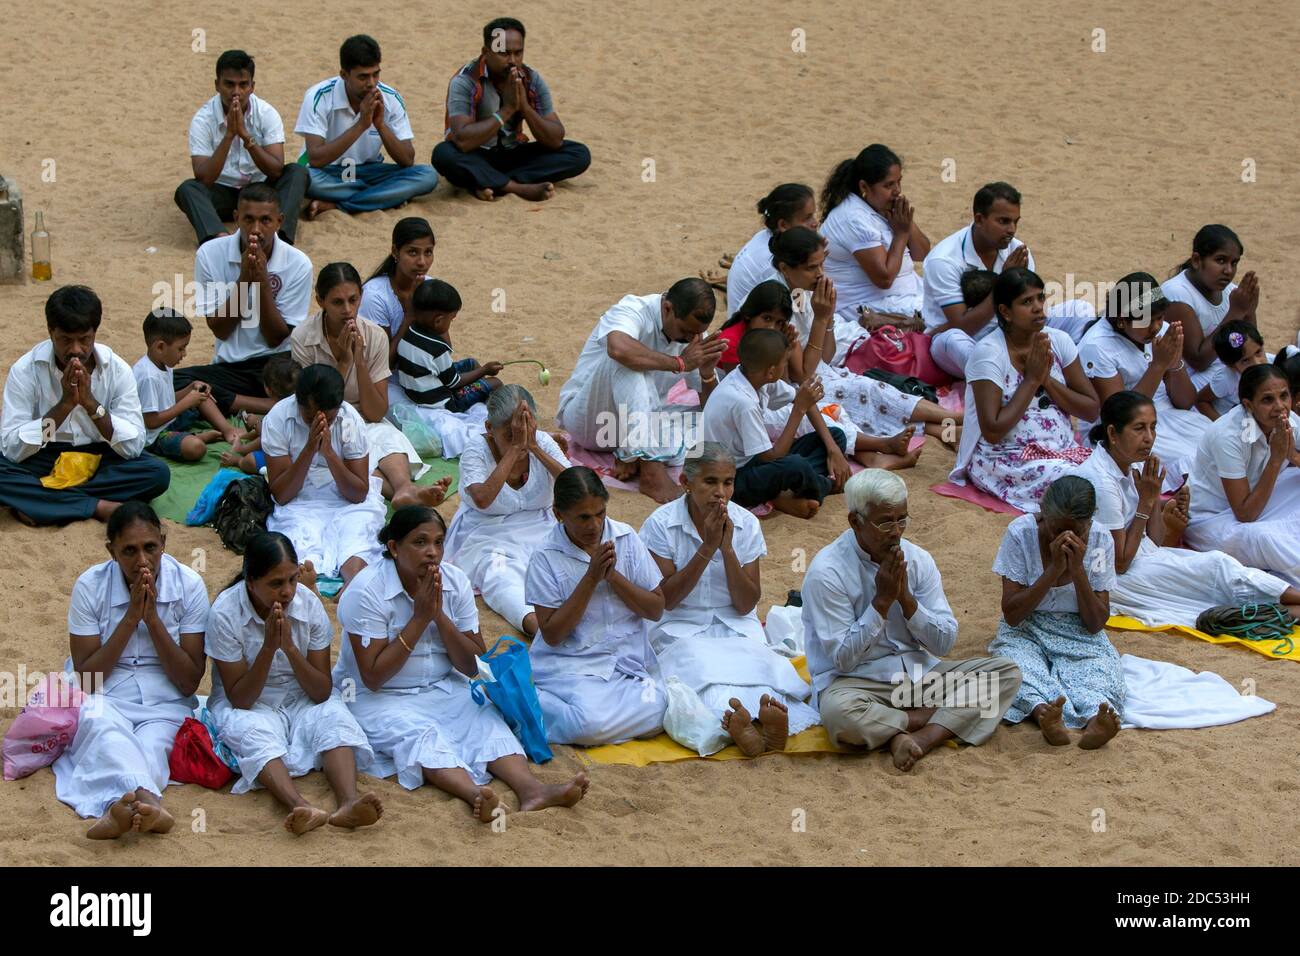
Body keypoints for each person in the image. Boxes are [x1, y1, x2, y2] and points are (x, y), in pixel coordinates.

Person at [337, 506, 589, 821]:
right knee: (420, 736)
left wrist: (439, 615)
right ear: (393, 548)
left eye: (439, 542)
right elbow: (373, 676)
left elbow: (474, 666)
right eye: (420, 542)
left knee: (484, 720)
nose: (432, 552)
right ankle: (476, 796)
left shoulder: (454, 582)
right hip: (377, 697)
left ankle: (531, 790)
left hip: (443, 685)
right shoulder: (367, 590)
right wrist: (419, 619)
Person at [803, 469, 1021, 771]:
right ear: (855, 521)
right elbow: (842, 660)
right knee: (839, 714)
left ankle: (921, 738)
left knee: (1006, 673)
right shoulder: (827, 572)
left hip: (920, 678)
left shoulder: (918, 560)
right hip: (857, 685)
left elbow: (944, 643)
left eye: (902, 519)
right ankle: (921, 720)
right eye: (885, 522)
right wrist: (880, 603)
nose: (896, 532)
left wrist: (906, 600)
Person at [639, 443, 818, 755]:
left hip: (736, 623)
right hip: (679, 626)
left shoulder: (745, 523)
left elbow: (747, 603)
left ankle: (761, 726)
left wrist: (727, 548)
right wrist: (706, 548)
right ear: (686, 482)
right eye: (710, 482)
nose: (720, 493)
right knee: (700, 667)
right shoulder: (660, 524)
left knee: (760, 668)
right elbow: (667, 600)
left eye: (728, 482)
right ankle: (740, 726)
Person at [1074, 390, 1300, 627]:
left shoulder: (1133, 462)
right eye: (1139, 428)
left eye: (1153, 427)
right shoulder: (1101, 481)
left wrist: (1160, 513)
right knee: (1217, 571)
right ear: (1112, 433)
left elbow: (1155, 540)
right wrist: (1147, 502)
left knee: (1219, 569)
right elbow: (1119, 563)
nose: (1149, 437)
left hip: (1144, 558)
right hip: (1117, 578)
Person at [206, 532, 381, 834]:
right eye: (275, 583)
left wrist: (288, 648)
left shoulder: (309, 604)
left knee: (334, 716)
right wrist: (267, 649)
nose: (287, 592)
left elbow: (320, 690)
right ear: (250, 582)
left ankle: (349, 803)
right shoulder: (225, 612)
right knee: (250, 731)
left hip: (300, 695)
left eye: (292, 579)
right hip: (251, 703)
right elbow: (240, 699)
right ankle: (299, 804)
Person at [53, 503, 207, 839]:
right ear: (111, 551)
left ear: (163, 542)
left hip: (166, 697)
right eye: (129, 551)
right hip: (105, 691)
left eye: (150, 547)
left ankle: (119, 807)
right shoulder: (89, 586)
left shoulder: (190, 585)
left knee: (154, 744)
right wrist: (130, 619)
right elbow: (87, 678)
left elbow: (188, 682)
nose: (142, 561)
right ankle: (149, 801)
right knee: (101, 728)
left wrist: (152, 621)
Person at [769, 227, 959, 446]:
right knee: (866, 395)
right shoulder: (777, 305)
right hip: (790, 389)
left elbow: (827, 356)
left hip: (819, 373)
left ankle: (949, 427)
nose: (821, 273)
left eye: (822, 264)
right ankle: (957, 421)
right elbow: (802, 374)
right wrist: (821, 319)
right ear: (784, 268)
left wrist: (828, 317)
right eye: (812, 267)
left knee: (874, 390)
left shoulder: (801, 290)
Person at [0, 286, 169, 525]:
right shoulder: (26, 370)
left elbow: (133, 446)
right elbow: (13, 449)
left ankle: (42, 503)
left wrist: (91, 405)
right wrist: (64, 406)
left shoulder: (117, 370)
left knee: (157, 474)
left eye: (84, 339)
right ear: (50, 332)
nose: (76, 349)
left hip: (100, 456)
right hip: (45, 456)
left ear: (95, 333)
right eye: (65, 340)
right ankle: (97, 506)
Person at [524, 466, 667, 745]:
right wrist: (590, 579)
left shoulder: (625, 538)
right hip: (572, 665)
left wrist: (612, 576)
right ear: (558, 514)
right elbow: (552, 634)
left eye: (600, 513)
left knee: (660, 709)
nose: (594, 525)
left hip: (626, 661)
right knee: (586, 725)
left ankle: (604, 718)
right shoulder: (545, 556)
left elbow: (655, 609)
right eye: (583, 517)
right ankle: (535, 701)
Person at [556, 277, 725, 502]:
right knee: (626, 361)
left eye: (696, 333)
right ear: (667, 308)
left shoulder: (692, 334)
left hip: (634, 427)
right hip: (590, 421)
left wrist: (707, 373)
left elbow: (711, 408)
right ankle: (651, 469)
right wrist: (679, 363)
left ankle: (630, 452)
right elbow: (618, 349)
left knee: (714, 425)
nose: (691, 339)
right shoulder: (633, 309)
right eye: (686, 331)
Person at [290, 263, 443, 509]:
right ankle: (402, 493)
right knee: (344, 457)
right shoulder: (303, 338)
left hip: (364, 417)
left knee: (386, 435)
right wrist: (343, 362)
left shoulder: (374, 336)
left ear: (361, 296)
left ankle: (403, 487)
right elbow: (312, 405)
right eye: (337, 302)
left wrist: (359, 361)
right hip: (320, 422)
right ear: (320, 301)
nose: (348, 310)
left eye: (353, 300)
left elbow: (375, 412)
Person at [988, 476, 1122, 749]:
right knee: (1015, 668)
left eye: (1079, 532)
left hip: (1079, 630)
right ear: (1042, 514)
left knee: (1098, 672)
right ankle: (1044, 714)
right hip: (1027, 629)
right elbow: (1013, 615)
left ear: (1090, 523)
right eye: (1056, 529)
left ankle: (1095, 720)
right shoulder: (1021, 534)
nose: (1066, 539)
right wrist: (1053, 571)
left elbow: (1096, 622)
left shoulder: (1099, 540)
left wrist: (1077, 571)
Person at [950, 268, 1099, 512]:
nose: (1039, 307)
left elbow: (1091, 409)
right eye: (1026, 302)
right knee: (1079, 484)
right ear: (1005, 312)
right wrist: (1030, 380)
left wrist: (1047, 380)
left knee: (1113, 472)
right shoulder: (989, 354)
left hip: (1062, 449)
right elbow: (993, 431)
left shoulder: (1059, 341)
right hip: (1007, 459)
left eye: (1041, 297)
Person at [174, 182, 313, 416]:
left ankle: (231, 402)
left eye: (265, 221)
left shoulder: (298, 264)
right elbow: (220, 330)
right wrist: (245, 279)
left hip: (276, 363)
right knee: (173, 381)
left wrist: (261, 281)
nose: (256, 229)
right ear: (237, 218)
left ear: (279, 221)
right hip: (230, 367)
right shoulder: (209, 254)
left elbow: (275, 337)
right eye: (248, 220)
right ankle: (251, 404)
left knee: (306, 382)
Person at [444, 385, 569, 637]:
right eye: (509, 435)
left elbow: (576, 484)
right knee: (501, 578)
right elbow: (482, 499)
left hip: (541, 528)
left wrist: (534, 447)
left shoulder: (539, 441)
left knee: (565, 567)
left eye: (524, 432)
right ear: (490, 429)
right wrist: (514, 451)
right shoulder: (476, 449)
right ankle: (542, 630)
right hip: (488, 537)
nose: (520, 441)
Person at [432, 17, 591, 202]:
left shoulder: (531, 79)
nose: (512, 61)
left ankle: (488, 183)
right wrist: (507, 109)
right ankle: (517, 188)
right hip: (475, 154)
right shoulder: (466, 80)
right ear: (486, 52)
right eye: (504, 53)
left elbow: (555, 139)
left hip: (513, 152)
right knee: (443, 154)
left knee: (579, 154)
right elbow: (463, 141)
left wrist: (524, 106)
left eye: (518, 53)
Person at [701, 328, 849, 518]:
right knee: (795, 466)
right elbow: (771, 457)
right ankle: (827, 484)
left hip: (750, 461)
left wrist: (832, 449)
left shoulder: (756, 377)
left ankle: (785, 494)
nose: (786, 367)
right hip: (729, 480)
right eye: (784, 363)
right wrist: (799, 411)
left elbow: (802, 399)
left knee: (835, 436)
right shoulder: (743, 401)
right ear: (771, 371)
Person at [1077, 272, 1208, 488]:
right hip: (1121, 429)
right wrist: (1158, 366)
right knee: (1186, 456)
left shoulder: (1160, 331)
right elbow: (1119, 415)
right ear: (1121, 321)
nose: (1156, 327)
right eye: (1147, 320)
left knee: (1210, 439)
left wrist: (1174, 363)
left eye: (1159, 318)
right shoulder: (1097, 346)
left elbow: (1185, 401)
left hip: (1164, 414)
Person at [262, 364, 386, 583]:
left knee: (357, 535)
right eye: (310, 418)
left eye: (328, 419)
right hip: (299, 499)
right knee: (297, 539)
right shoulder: (279, 418)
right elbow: (282, 495)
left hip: (346, 498)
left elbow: (358, 494)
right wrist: (310, 449)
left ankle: (354, 581)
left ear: (338, 408)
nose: (319, 423)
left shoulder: (349, 420)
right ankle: (306, 580)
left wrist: (329, 454)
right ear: (297, 403)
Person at [174, 49, 310, 247]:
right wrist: (229, 135)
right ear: (217, 85)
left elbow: (275, 170)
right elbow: (204, 177)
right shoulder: (203, 120)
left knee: (297, 172)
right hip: (223, 193)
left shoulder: (267, 113)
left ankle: (279, 239)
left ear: (252, 86)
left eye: (243, 84)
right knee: (187, 190)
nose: (236, 92)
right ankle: (218, 240)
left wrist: (246, 137)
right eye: (229, 84)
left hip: (261, 191)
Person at [295, 35, 439, 220]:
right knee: (303, 177)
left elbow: (407, 159)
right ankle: (384, 195)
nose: (371, 83)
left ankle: (339, 205)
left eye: (375, 74)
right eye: (363, 76)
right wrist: (362, 124)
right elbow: (315, 158)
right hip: (327, 173)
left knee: (427, 176)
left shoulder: (391, 98)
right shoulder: (318, 96)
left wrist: (380, 125)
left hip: (368, 170)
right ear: (344, 75)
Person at [1185, 365, 1300, 585]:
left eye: (1284, 396)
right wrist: (1277, 459)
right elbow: (1245, 514)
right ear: (1248, 405)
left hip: (1263, 498)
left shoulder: (1287, 418)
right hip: (1214, 516)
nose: (1280, 407)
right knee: (1264, 539)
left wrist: (1293, 456)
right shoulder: (1228, 435)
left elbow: (1291, 457)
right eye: (1267, 400)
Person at [922, 182, 1044, 377]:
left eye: (1015, 221)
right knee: (955, 341)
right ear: (979, 219)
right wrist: (1003, 283)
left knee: (1078, 311)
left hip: (1008, 330)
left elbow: (1027, 308)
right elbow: (963, 326)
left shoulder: (1017, 250)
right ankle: (1009, 382)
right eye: (1004, 221)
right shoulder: (944, 260)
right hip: (955, 339)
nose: (1012, 230)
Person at [819, 144, 930, 322]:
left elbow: (922, 253)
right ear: (864, 186)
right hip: (868, 307)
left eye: (899, 181)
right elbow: (884, 278)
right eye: (889, 185)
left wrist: (906, 223)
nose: (898, 191)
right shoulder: (852, 218)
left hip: (904, 297)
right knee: (948, 316)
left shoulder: (882, 205)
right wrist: (901, 235)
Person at [134, 309, 240, 463]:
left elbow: (166, 400)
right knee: (196, 447)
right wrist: (186, 403)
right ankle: (196, 437)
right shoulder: (148, 376)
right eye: (181, 348)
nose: (184, 354)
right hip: (154, 435)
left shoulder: (163, 364)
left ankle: (228, 430)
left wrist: (190, 389)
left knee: (200, 393)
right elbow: (151, 422)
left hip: (170, 420)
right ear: (160, 347)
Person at [1161, 224, 1258, 389]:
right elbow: (1199, 360)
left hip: (1223, 366)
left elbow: (1248, 346)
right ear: (1197, 260)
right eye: (1220, 260)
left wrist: (1249, 311)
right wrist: (1236, 312)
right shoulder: (1177, 295)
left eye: (1234, 263)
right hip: (1188, 380)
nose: (1228, 270)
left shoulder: (1231, 291)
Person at [395, 279, 503, 412]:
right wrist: (485, 369)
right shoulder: (437, 349)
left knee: (471, 363)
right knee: (495, 383)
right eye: (451, 319)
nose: (450, 323)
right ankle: (493, 413)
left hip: (416, 391)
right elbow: (453, 382)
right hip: (442, 401)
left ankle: (478, 391)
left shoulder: (410, 331)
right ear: (438, 321)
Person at [723, 183, 818, 314]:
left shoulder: (769, 238)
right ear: (783, 224)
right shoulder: (773, 261)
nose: (815, 223)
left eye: (813, 215)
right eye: (807, 218)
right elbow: (799, 309)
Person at [359, 217, 436, 354]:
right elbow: (381, 365)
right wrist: (410, 315)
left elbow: (444, 351)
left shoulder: (430, 286)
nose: (422, 262)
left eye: (428, 252)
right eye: (413, 252)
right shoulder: (374, 297)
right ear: (395, 251)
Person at [220, 354, 299, 474]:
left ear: (268, 389)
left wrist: (242, 449)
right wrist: (249, 433)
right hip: (304, 456)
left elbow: (266, 439)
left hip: (288, 458)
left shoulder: (276, 414)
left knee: (250, 460)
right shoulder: (302, 405)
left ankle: (238, 461)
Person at [1195, 320, 1268, 419]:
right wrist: (1220, 425)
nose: (1257, 363)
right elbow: (1200, 400)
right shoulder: (1226, 379)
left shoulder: (1271, 364)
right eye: (1246, 360)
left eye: (1258, 352)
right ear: (1231, 365)